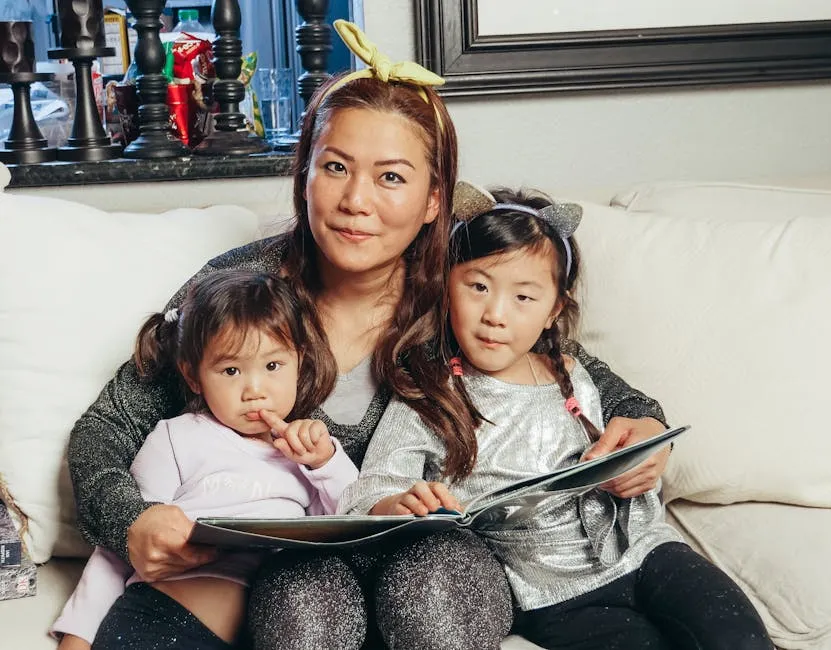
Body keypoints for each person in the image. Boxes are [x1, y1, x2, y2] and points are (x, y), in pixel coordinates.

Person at [67, 19, 670, 650]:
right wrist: (131, 520)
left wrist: (644, 428)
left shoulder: (466, 295)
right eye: (335, 167)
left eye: (391, 177)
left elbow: (586, 380)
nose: (356, 200)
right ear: (303, 175)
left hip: (438, 561)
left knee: (432, 582)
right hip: (294, 570)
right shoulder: (241, 289)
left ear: (435, 198)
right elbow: (104, 430)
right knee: (303, 596)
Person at [339, 184, 774, 650]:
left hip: (649, 552)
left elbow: (640, 424)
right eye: (479, 287)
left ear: (554, 312)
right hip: (554, 593)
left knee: (739, 636)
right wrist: (398, 505)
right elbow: (376, 485)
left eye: (524, 297)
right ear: (447, 291)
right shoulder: (428, 395)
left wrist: (640, 455)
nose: (495, 315)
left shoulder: (573, 371)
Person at [54, 270, 359, 650]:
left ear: (299, 360)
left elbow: (353, 527)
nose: (254, 390)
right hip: (158, 622)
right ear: (194, 376)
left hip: (271, 630)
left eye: (273, 366)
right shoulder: (177, 438)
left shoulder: (312, 452)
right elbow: (126, 545)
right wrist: (77, 638)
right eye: (231, 371)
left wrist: (325, 464)